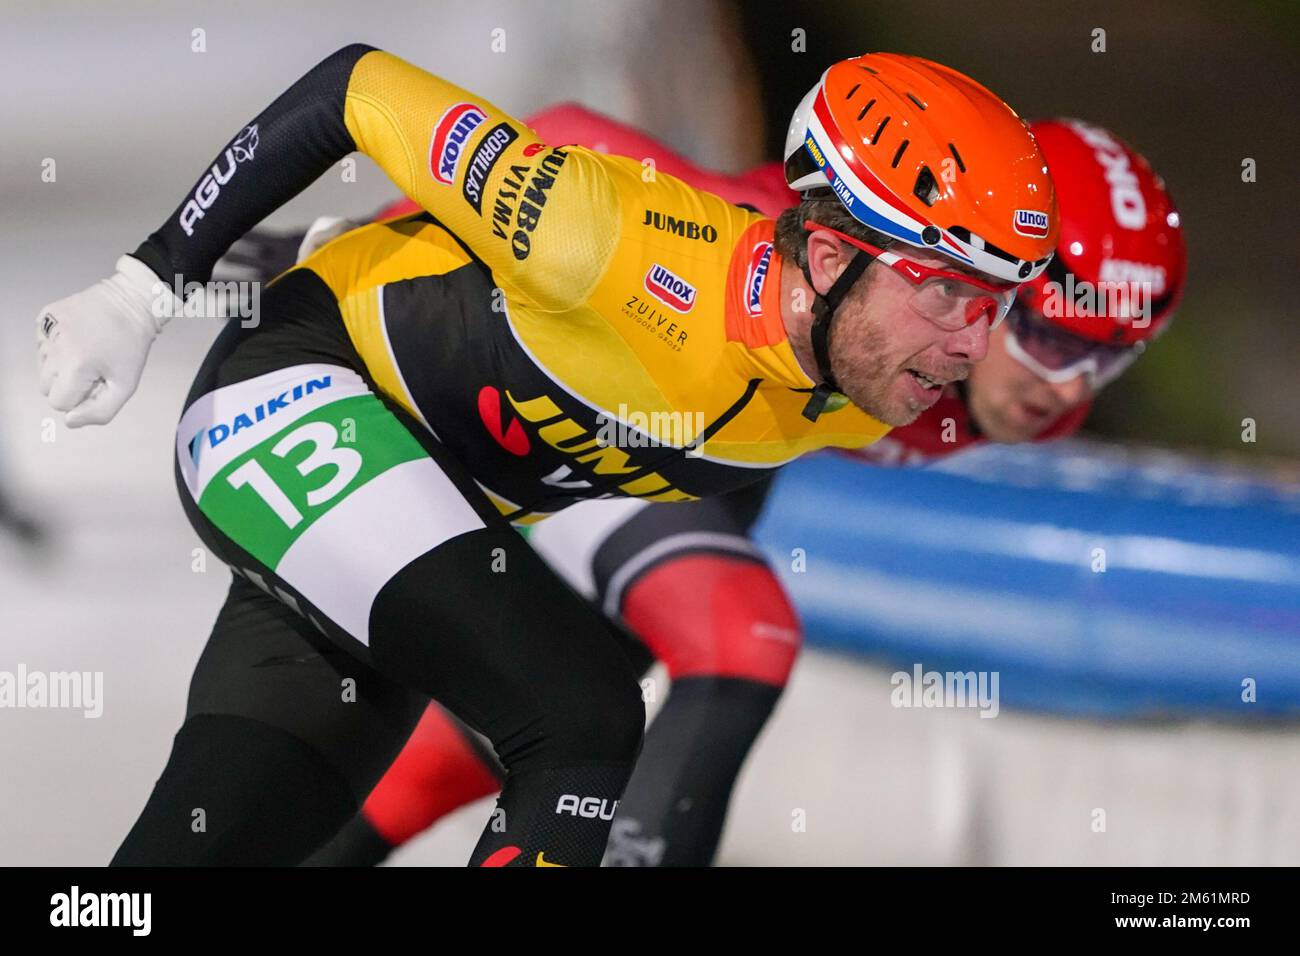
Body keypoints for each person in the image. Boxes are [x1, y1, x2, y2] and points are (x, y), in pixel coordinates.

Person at [35, 47, 1057, 866]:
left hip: (410, 497)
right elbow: (357, 85)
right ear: (830, 257)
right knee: (580, 718)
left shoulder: (862, 394)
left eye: (1000, 305)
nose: (973, 342)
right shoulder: (610, 238)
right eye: (946, 292)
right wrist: (148, 283)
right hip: (289, 386)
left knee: (219, 844)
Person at [290, 111, 1185, 867]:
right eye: (1057, 343)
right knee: (740, 634)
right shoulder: (799, 251)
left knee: (504, 730)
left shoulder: (1014, 383)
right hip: (579, 421)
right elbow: (572, 138)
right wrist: (363, 236)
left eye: (1109, 358)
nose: (1066, 391)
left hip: (673, 460)